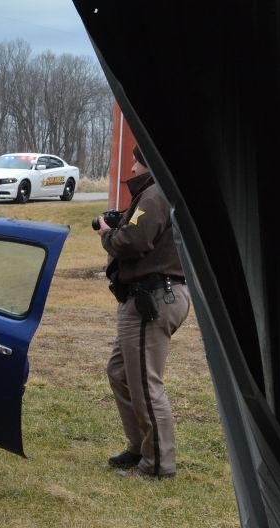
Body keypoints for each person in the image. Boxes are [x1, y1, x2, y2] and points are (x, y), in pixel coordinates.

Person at [97, 145, 190, 479]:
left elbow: (133, 241)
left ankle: (157, 466)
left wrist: (109, 236)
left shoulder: (153, 195)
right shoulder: (153, 195)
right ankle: (140, 447)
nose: (132, 166)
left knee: (146, 384)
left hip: (152, 297)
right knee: (121, 372)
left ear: (146, 164)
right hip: (149, 296)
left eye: (136, 160)